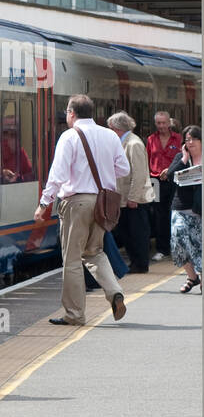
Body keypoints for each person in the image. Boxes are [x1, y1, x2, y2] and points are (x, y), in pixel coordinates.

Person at [34, 94, 130, 326]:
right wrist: (105, 175)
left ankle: (75, 314)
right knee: (95, 251)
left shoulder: (69, 137)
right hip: (102, 202)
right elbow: (124, 169)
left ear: (71, 113)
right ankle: (114, 291)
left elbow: (57, 175)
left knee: (73, 259)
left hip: (76, 202)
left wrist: (43, 204)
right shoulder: (109, 135)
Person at [159, 125, 202, 293]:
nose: (190, 142)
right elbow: (170, 177)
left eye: (193, 139)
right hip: (181, 207)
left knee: (199, 245)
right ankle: (192, 276)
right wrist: (184, 158)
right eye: (187, 139)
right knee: (178, 241)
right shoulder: (181, 157)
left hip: (200, 208)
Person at [108, 111, 152, 273]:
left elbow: (139, 174)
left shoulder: (134, 144)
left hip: (134, 200)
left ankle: (140, 264)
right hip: (124, 198)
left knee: (137, 233)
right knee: (126, 232)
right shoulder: (123, 142)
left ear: (117, 128)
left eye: (111, 128)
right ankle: (135, 262)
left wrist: (133, 197)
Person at [146, 111, 182, 261]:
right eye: (158, 123)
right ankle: (162, 248)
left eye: (164, 123)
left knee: (175, 214)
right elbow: (147, 159)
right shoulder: (150, 139)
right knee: (159, 215)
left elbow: (183, 160)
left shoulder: (179, 139)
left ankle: (176, 247)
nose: (161, 126)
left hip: (174, 181)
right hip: (155, 180)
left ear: (169, 123)